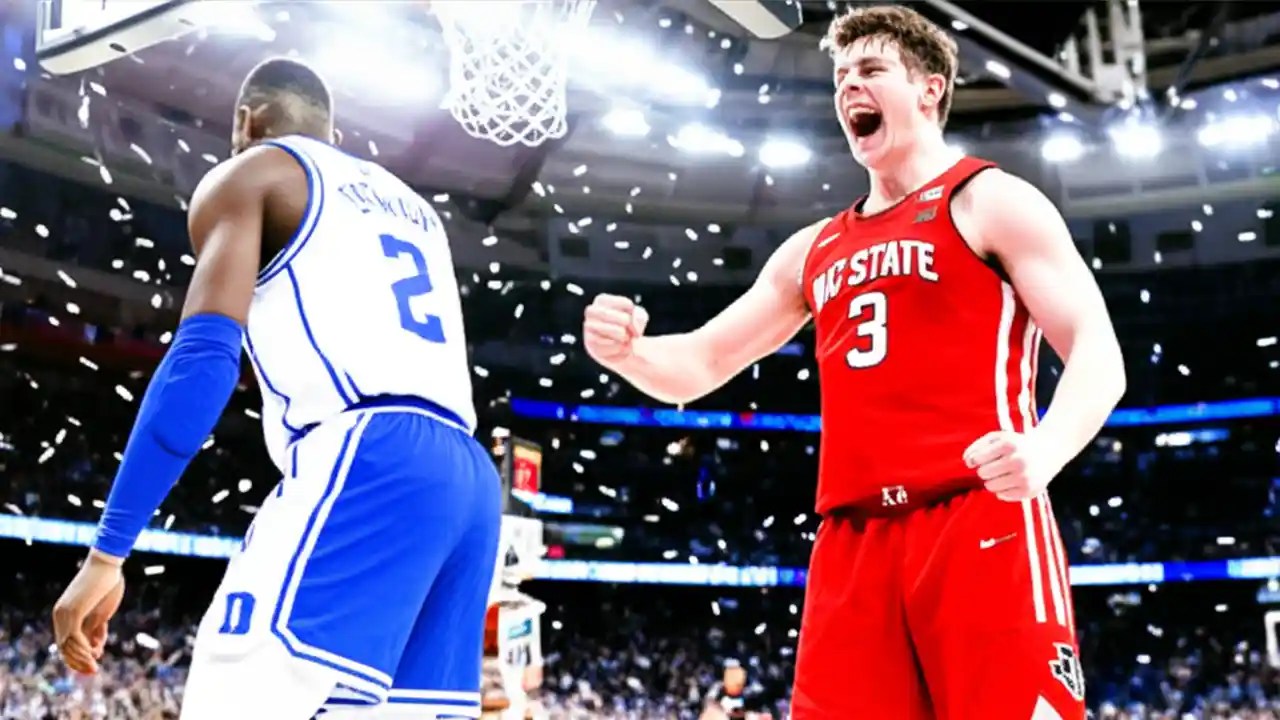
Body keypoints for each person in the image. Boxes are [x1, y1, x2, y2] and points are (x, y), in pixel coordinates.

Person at [582, 5, 1125, 719]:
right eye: (840, 77)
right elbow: (702, 362)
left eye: (870, 70)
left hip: (976, 513)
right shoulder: (812, 248)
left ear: (930, 88)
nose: (848, 88)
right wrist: (629, 352)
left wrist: (1047, 448)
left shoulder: (989, 200)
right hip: (852, 539)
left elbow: (1098, 351)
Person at [52, 57, 501, 720]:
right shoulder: (415, 210)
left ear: (247, 122)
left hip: (369, 454)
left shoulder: (255, 173)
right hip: (470, 482)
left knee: (226, 704)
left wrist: (107, 552)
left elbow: (203, 362)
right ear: (334, 136)